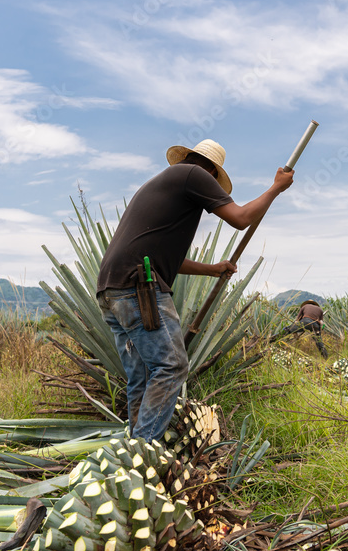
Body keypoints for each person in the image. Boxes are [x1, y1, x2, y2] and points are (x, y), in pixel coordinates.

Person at [96, 139, 294, 442]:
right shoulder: (194, 175)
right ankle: (142, 451)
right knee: (172, 366)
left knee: (143, 375)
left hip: (112, 289)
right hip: (139, 287)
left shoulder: (165, 183)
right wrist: (275, 188)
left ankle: (131, 451)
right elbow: (240, 219)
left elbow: (168, 260)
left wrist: (213, 269)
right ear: (212, 172)